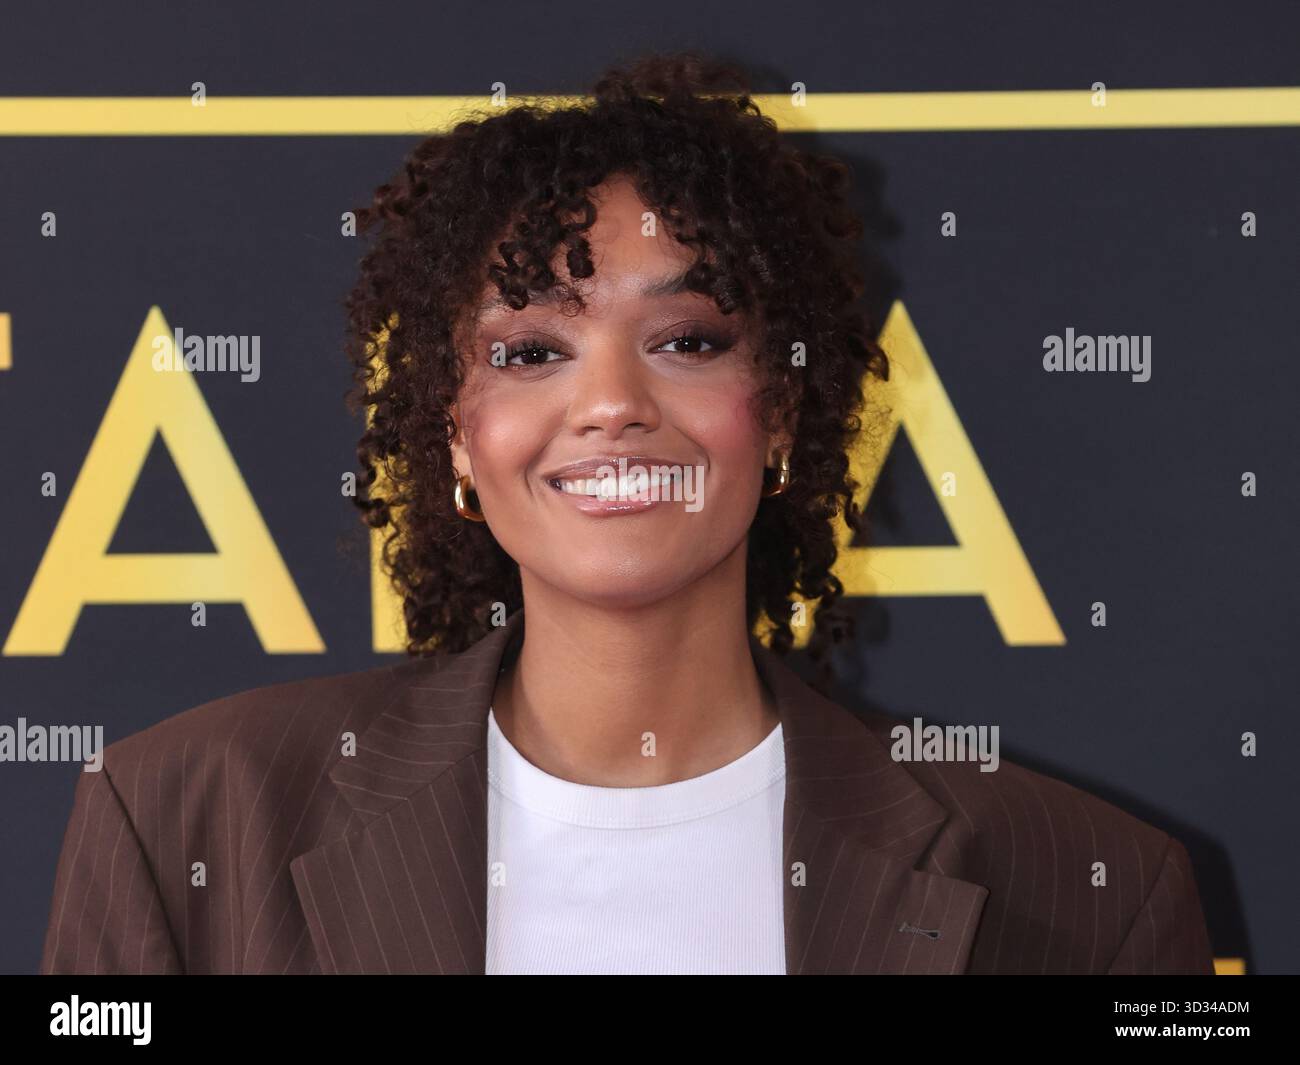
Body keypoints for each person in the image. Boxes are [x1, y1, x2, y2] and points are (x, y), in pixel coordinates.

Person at [40, 52, 1215, 975]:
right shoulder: (186, 821)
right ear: (456, 433)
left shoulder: (1089, 887)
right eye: (532, 349)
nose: (610, 405)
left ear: (786, 416)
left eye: (688, 341)